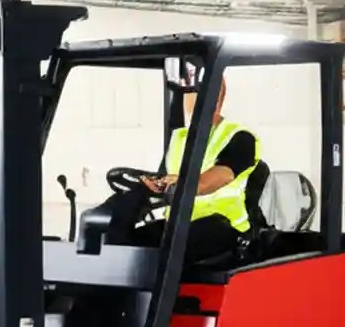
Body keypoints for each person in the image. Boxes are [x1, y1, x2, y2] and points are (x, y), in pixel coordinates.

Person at [109, 79, 260, 262]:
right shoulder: (179, 138)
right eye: (191, 93)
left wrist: (185, 184)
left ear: (220, 97)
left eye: (209, 92)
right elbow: (166, 177)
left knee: (176, 247)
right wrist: (153, 184)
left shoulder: (240, 137)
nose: (196, 99)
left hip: (225, 230)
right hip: (181, 225)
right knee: (120, 230)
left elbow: (222, 175)